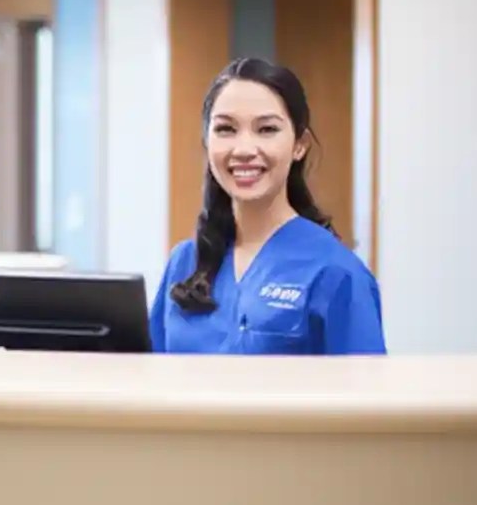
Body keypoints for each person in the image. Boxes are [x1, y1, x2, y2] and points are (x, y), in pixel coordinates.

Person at [149, 58, 386, 355]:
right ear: (207, 142)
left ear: (300, 144)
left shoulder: (336, 272)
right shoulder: (185, 263)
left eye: (266, 129)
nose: (244, 149)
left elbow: (366, 395)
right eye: (226, 129)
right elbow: (148, 378)